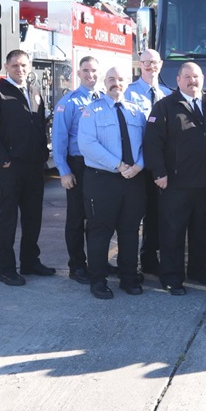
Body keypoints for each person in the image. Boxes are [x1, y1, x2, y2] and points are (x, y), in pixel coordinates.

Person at [0, 49, 55, 287]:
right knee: (9, 219)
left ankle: (30, 261)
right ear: (6, 67)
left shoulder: (35, 92)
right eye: (15, 66)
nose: (20, 70)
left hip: (34, 167)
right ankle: (6, 269)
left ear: (30, 66)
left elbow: (39, 126)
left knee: (33, 218)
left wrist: (43, 154)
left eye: (23, 65)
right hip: (11, 168)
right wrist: (2, 159)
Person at [142, 61, 206, 296]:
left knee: (201, 232)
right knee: (172, 233)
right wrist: (159, 173)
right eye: (186, 77)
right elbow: (152, 143)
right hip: (175, 184)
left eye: (195, 77)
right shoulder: (165, 106)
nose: (191, 81)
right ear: (178, 80)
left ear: (202, 79)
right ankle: (171, 277)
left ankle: (198, 270)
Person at [77, 65, 148, 299]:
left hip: (134, 180)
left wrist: (138, 165)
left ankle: (129, 278)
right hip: (103, 180)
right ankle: (97, 280)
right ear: (104, 83)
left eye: (119, 79)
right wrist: (118, 165)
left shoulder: (138, 112)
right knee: (100, 232)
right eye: (110, 79)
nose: (115, 83)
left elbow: (148, 144)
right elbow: (87, 144)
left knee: (130, 232)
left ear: (127, 81)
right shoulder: (92, 110)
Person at [50, 56, 100, 285]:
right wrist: (64, 171)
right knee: (76, 219)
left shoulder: (103, 99)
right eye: (86, 70)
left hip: (99, 167)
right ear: (78, 73)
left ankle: (98, 261)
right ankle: (77, 266)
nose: (91, 75)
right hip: (78, 166)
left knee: (98, 218)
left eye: (94, 71)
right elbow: (59, 140)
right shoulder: (68, 103)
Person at [126, 48, 172, 276]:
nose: (150, 66)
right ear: (139, 64)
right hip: (137, 166)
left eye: (154, 62)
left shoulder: (167, 93)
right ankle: (129, 263)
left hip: (159, 165)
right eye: (146, 62)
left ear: (161, 65)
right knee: (134, 215)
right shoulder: (128, 93)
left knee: (156, 214)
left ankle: (150, 258)